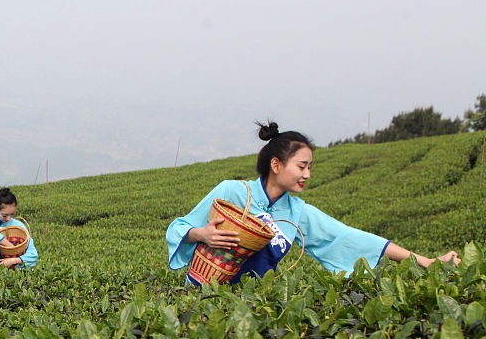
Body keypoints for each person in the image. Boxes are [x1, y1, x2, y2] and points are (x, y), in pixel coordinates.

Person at [166, 122, 460, 285]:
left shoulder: (298, 214)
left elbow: (351, 238)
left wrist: (427, 262)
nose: (307, 174)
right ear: (277, 165)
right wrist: (201, 234)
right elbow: (179, 227)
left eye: (310, 167)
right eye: (302, 166)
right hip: (204, 299)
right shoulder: (232, 191)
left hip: (250, 304)